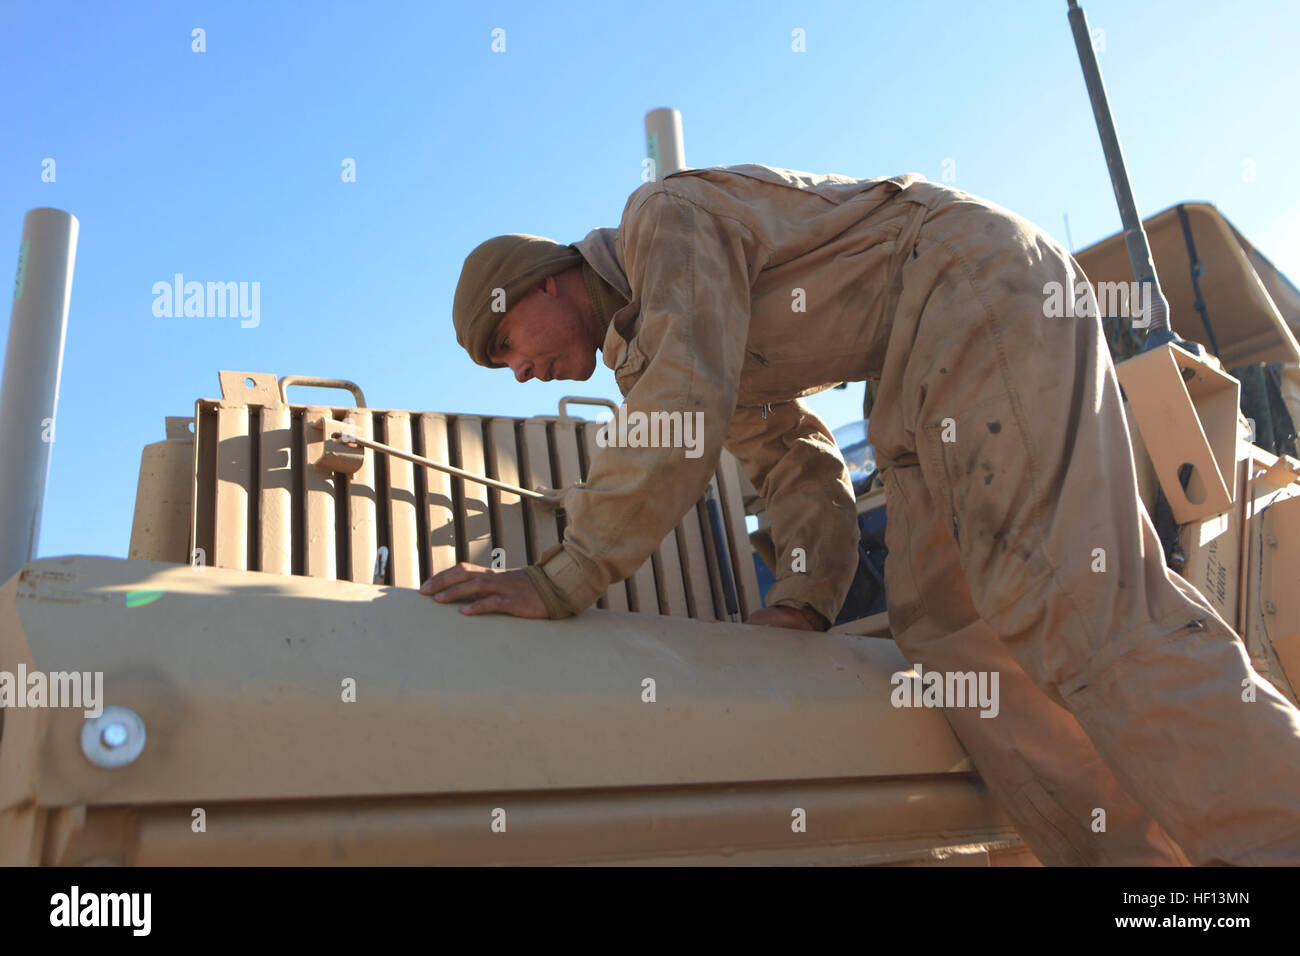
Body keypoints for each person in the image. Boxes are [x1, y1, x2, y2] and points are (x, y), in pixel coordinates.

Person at [425, 163, 1300, 865]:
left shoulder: (665, 220)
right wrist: (805, 598)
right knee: (951, 635)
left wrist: (563, 577)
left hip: (968, 285)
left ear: (542, 284)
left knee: (1075, 603)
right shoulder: (658, 340)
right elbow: (792, 461)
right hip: (918, 367)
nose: (519, 373)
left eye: (504, 347)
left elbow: (681, 408)